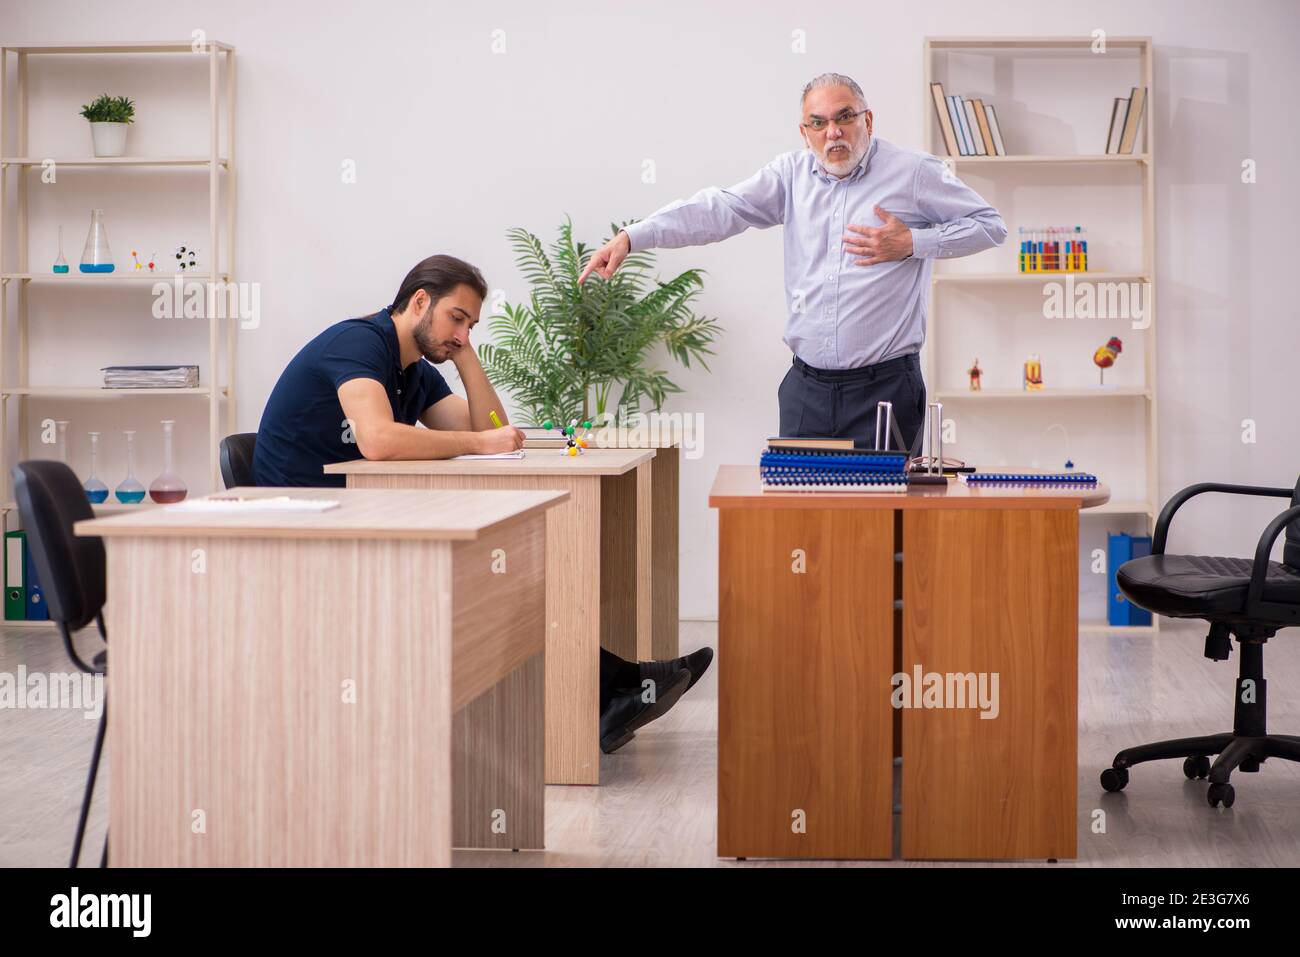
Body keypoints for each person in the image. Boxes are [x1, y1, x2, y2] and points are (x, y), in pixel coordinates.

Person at [253, 254, 711, 753]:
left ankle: (613, 691)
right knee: (495, 570)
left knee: (507, 561)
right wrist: (480, 441)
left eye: (471, 325)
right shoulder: (358, 343)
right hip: (308, 525)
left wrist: (465, 355)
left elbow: (493, 431)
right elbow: (379, 441)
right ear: (420, 301)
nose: (461, 333)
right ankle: (613, 693)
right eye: (456, 318)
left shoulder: (413, 368)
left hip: (359, 512)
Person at [580, 73, 1008, 453]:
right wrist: (635, 236)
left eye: (844, 117)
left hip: (886, 391)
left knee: (882, 515)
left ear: (868, 120)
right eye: (818, 123)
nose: (833, 132)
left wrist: (913, 242)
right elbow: (721, 209)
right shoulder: (789, 175)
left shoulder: (914, 172)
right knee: (800, 513)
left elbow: (990, 225)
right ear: (805, 133)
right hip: (807, 391)